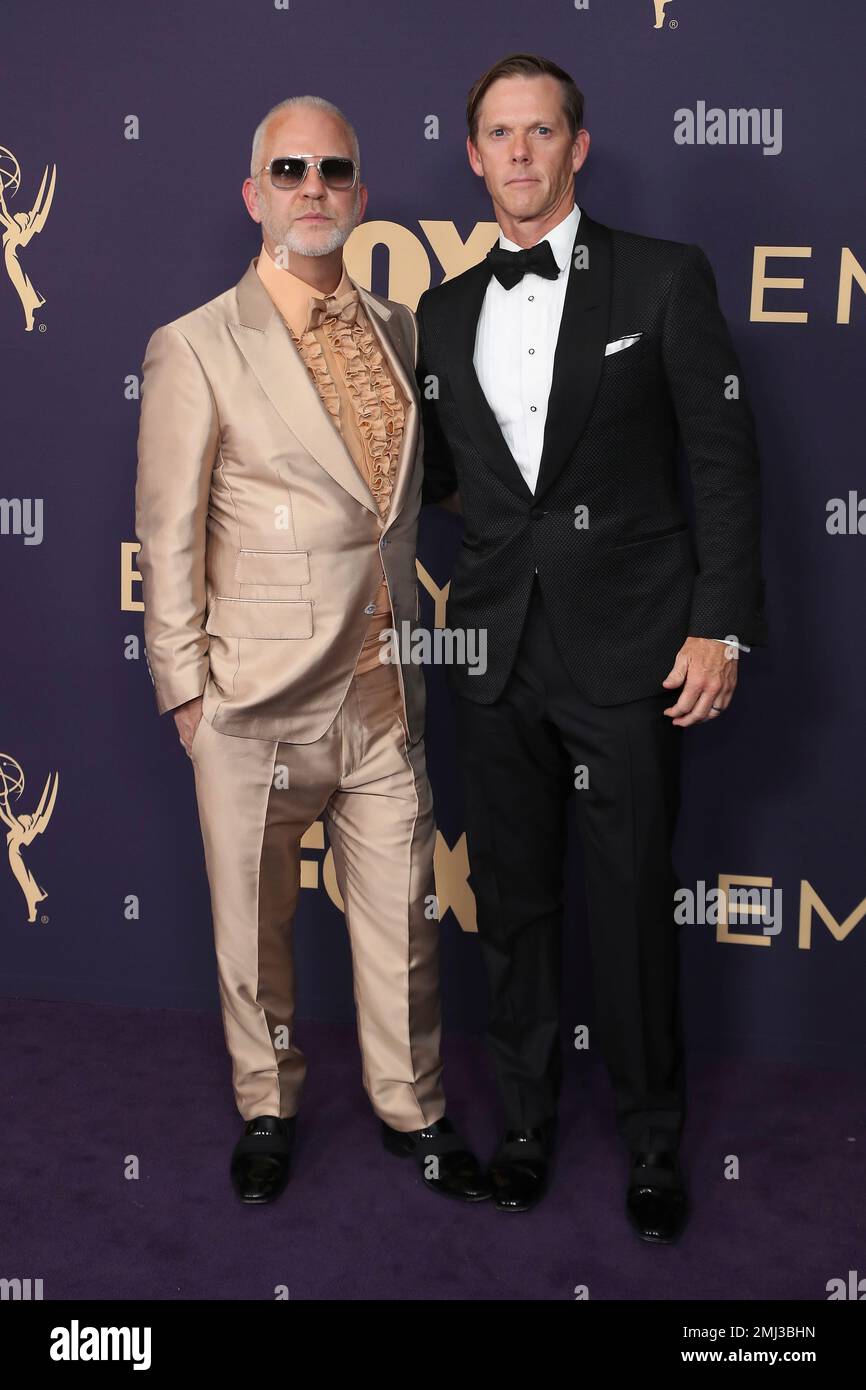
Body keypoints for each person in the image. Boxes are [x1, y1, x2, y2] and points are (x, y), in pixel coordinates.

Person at [416, 53, 766, 1241]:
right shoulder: (445, 312)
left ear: (576, 146)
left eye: (539, 132)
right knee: (511, 907)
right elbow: (455, 485)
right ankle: (521, 1125)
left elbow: (720, 465)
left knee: (624, 904)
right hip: (493, 653)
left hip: (631, 653)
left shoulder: (662, 282)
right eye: (497, 135)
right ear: (472, 156)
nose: (517, 154)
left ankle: (652, 1141)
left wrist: (715, 623)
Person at [135, 94, 490, 1208]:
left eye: (333, 171)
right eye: (288, 170)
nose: (312, 189)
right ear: (254, 195)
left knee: (402, 925)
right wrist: (189, 694)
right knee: (254, 929)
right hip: (253, 698)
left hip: (384, 693)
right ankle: (268, 1104)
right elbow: (169, 529)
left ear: (360, 196)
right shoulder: (195, 343)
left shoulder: (396, 328)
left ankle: (412, 1109)